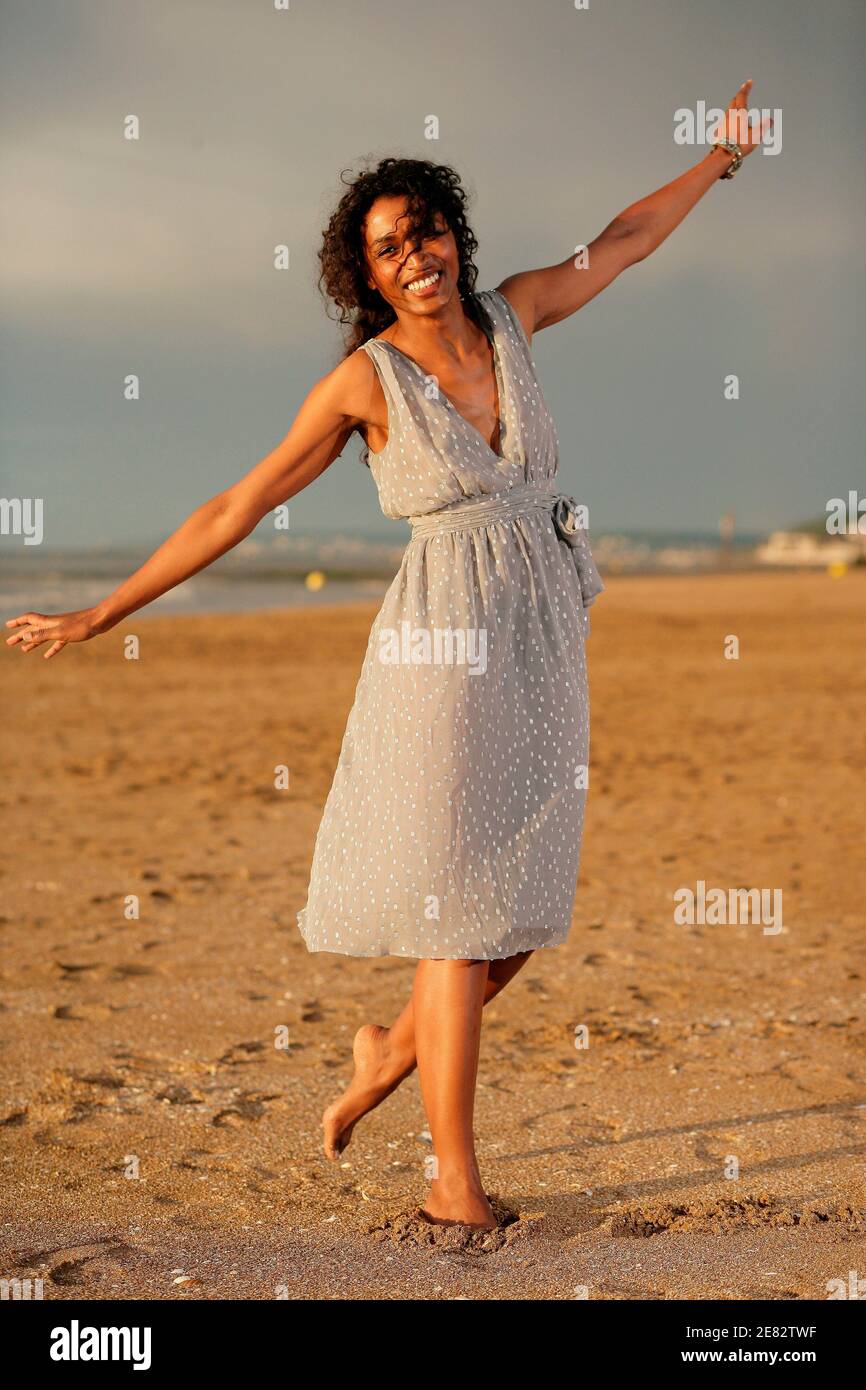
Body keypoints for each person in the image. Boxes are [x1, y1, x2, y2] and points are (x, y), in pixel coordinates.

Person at [6, 82, 768, 1231]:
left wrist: (717, 158)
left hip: (545, 631)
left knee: (514, 907)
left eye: (425, 231)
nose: (413, 255)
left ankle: (388, 1047)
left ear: (454, 236)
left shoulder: (513, 314)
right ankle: (450, 1182)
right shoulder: (366, 382)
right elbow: (237, 504)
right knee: (459, 917)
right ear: (365, 277)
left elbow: (622, 241)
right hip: (438, 650)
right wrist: (103, 611)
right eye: (387, 248)